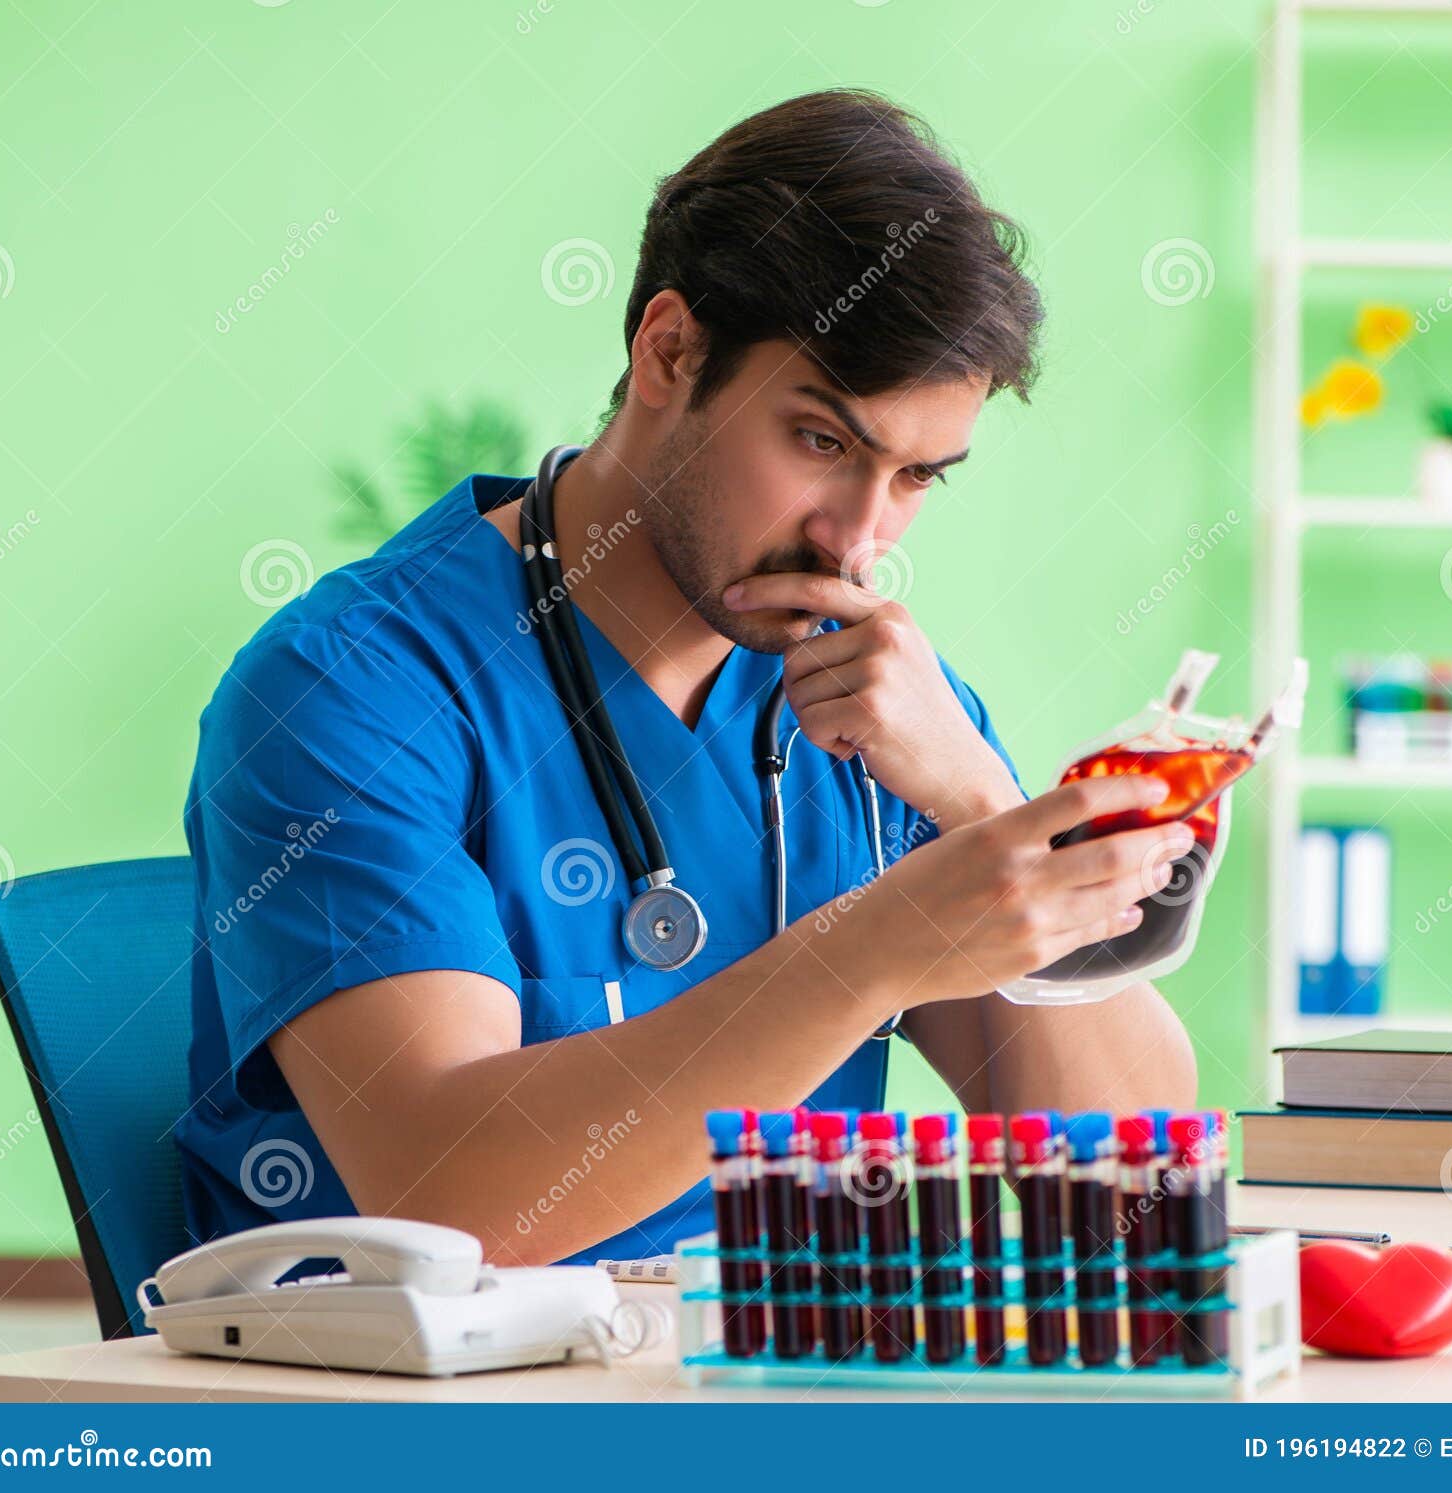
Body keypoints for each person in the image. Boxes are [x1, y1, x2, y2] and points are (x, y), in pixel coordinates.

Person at [175, 89, 1196, 1266]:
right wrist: (874, 946)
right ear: (668, 350)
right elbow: (446, 1198)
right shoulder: (352, 687)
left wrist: (984, 810)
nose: (860, 539)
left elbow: (1134, 1191)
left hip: (764, 1387)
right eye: (822, 441)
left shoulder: (885, 716)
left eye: (918, 477)